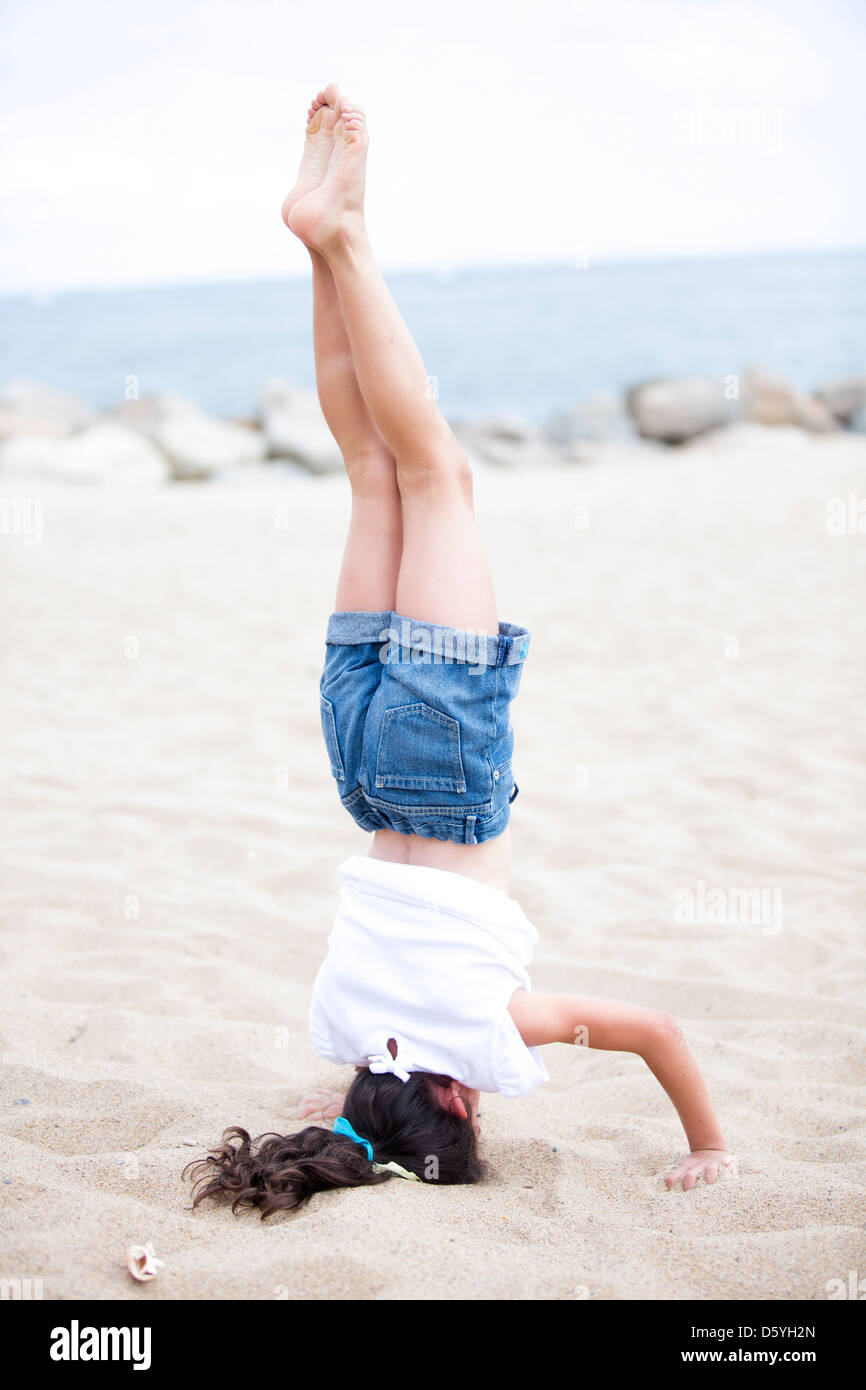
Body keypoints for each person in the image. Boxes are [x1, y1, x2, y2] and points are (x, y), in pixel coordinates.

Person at [187, 86, 737, 1219]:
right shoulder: (340, 1025)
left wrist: (709, 1144)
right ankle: (323, 239)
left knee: (437, 471)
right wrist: (367, 1136)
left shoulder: (485, 1038)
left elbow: (655, 1033)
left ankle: (341, 235)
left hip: (440, 771)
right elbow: (366, 1111)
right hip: (358, 766)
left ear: (462, 1096)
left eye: (474, 1108)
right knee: (372, 472)